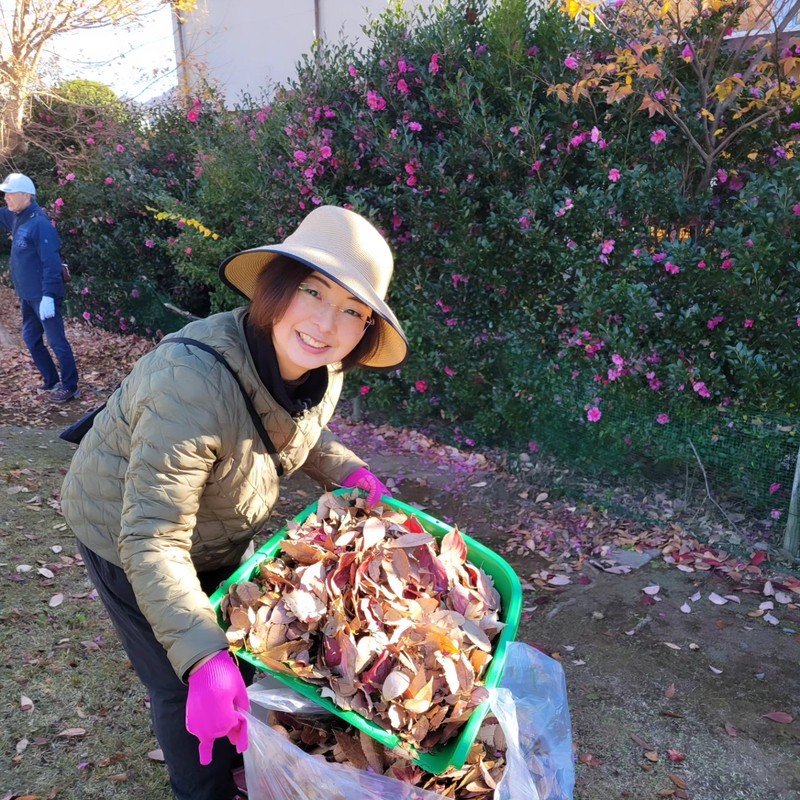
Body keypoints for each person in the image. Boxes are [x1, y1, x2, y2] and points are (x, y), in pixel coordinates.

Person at [60, 205, 408, 800]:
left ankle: (245, 756)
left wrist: (351, 473)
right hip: (124, 530)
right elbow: (152, 539)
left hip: (217, 530)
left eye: (353, 310)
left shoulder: (320, 367)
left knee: (241, 656)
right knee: (182, 681)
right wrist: (201, 658)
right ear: (276, 287)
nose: (326, 324)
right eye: (312, 292)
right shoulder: (190, 379)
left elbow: (291, 428)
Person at [0, 172, 79, 403]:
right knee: (32, 338)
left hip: (44, 297)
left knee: (57, 342)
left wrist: (48, 296)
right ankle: (51, 380)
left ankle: (71, 386)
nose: (6, 199)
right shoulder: (16, 216)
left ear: (25, 196)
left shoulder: (40, 224)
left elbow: (52, 263)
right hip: (27, 295)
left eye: (9, 195)